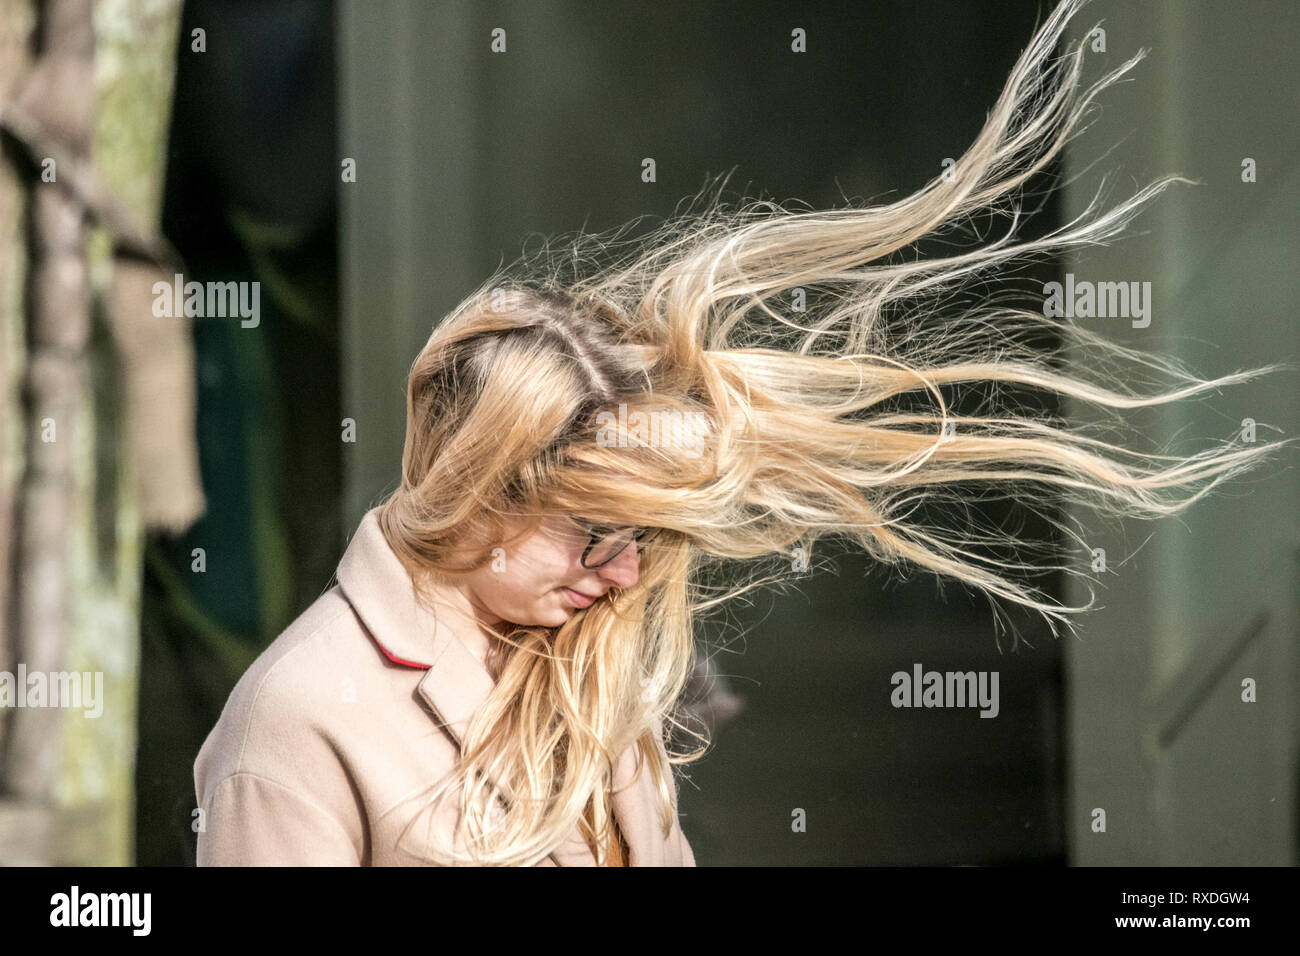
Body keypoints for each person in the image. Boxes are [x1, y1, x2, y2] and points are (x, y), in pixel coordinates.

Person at [193, 0, 1291, 865]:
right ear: (484, 483)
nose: (622, 573)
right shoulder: (293, 725)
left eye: (644, 536)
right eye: (593, 530)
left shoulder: (590, 662)